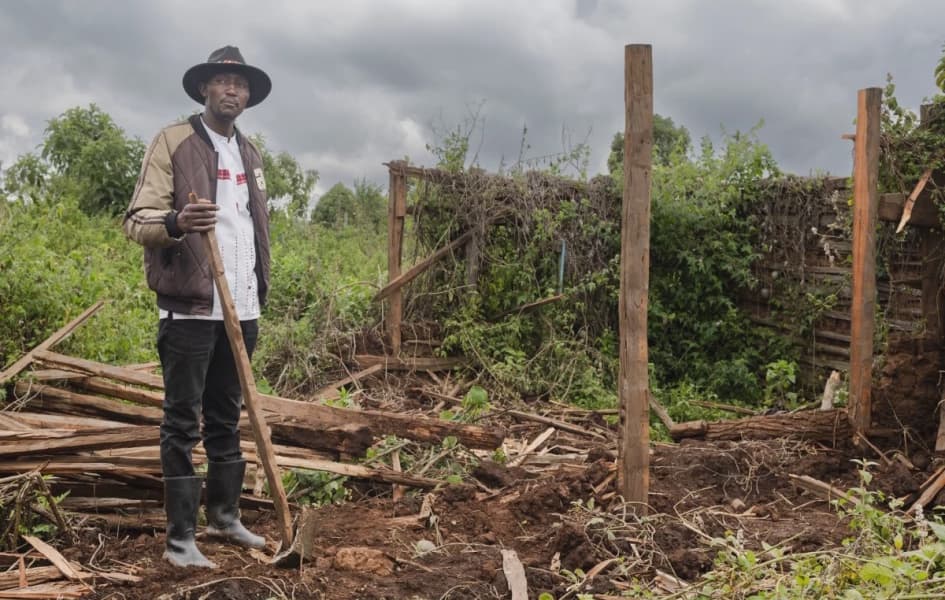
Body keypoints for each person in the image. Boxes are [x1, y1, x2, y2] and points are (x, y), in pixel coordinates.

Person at [123, 46, 272, 568]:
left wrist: (259, 287)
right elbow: (135, 220)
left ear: (248, 95)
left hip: (242, 308)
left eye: (240, 83)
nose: (232, 89)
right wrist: (177, 223)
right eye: (222, 81)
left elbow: (253, 231)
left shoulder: (251, 155)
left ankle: (225, 517)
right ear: (205, 89)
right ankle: (180, 539)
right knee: (182, 421)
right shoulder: (173, 142)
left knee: (227, 416)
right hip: (188, 311)